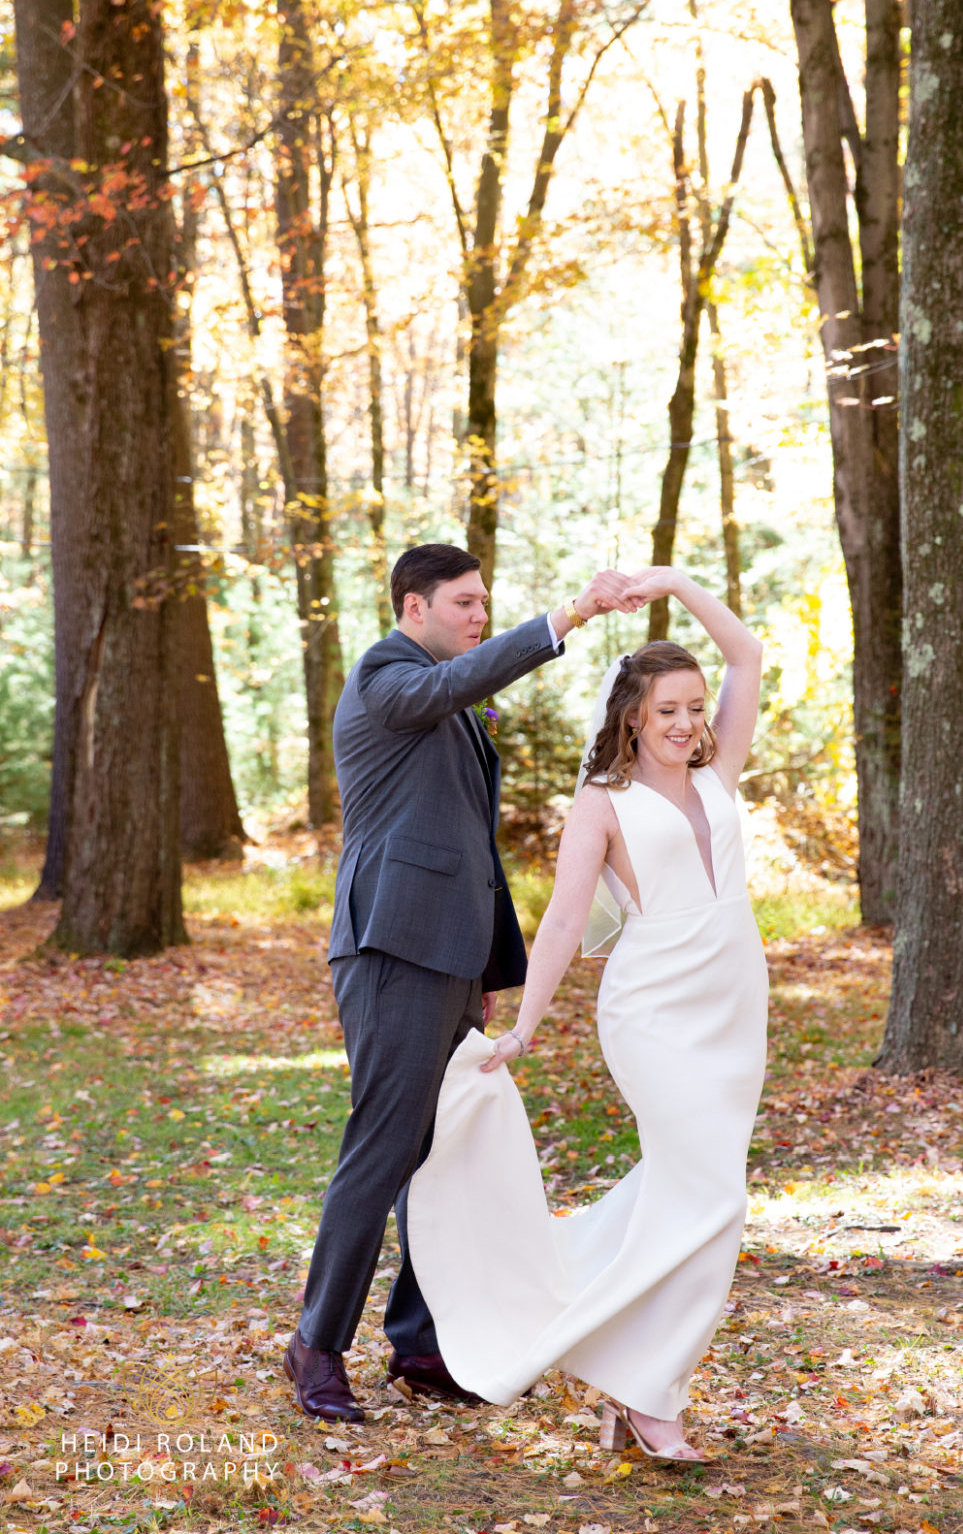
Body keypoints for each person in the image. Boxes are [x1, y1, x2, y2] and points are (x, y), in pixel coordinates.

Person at [405, 566, 767, 1461]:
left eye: (694, 707)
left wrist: (678, 583)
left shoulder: (721, 766)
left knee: (687, 1193)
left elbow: (747, 653)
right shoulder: (602, 804)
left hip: (735, 1004)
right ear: (632, 717)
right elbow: (565, 919)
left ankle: (624, 1371)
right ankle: (649, 1397)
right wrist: (526, 1023)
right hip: (652, 1011)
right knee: (715, 1197)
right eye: (667, 710)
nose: (686, 724)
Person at [284, 543, 635, 1423]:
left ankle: (420, 1344)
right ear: (414, 607)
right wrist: (571, 616)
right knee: (383, 1149)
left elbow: (465, 845)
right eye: (465, 603)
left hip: (447, 958)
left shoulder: (454, 714)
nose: (478, 615)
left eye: (486, 604)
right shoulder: (385, 675)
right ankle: (315, 1346)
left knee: (440, 1159)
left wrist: (484, 965)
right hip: (390, 948)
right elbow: (458, 683)